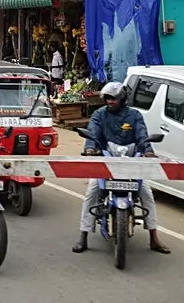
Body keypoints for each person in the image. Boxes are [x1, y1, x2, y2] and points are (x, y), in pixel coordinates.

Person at [71, 81, 170, 255]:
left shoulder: (134, 115)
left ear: (122, 99)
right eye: (108, 98)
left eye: (114, 98)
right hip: (105, 162)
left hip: (131, 163)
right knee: (91, 194)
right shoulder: (99, 115)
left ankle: (154, 237)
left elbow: (141, 134)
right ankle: (83, 236)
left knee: (147, 195)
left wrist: (148, 151)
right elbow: (92, 132)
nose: (110, 101)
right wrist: (90, 148)